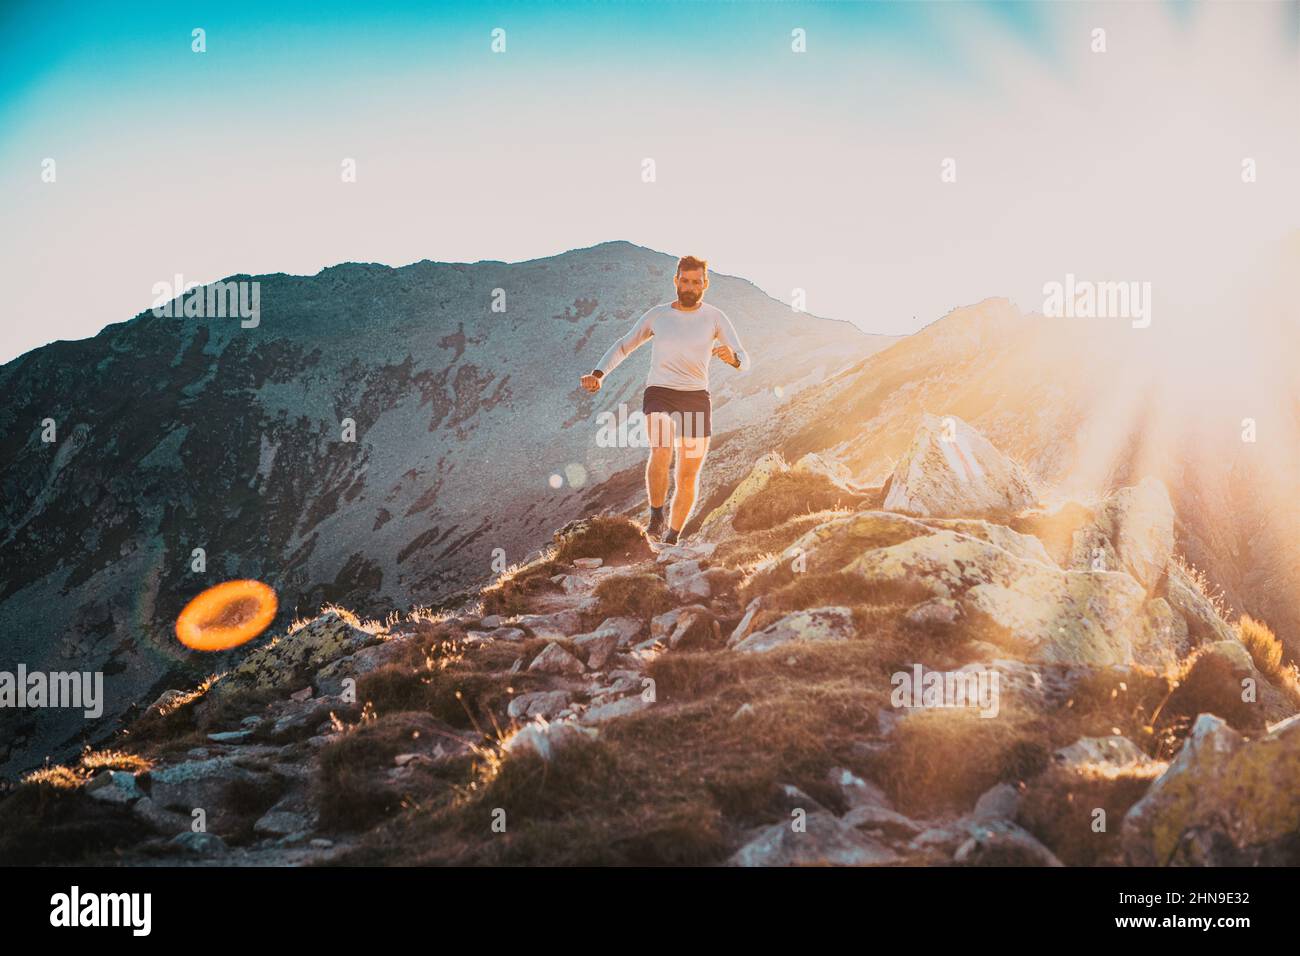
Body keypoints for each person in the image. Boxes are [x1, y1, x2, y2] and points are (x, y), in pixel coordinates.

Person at [580, 255, 750, 544]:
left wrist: (733, 358)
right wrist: (598, 373)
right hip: (660, 392)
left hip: (696, 397)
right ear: (676, 280)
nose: (689, 287)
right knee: (661, 450)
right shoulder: (658, 315)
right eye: (684, 281)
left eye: (696, 282)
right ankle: (655, 519)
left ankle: (672, 536)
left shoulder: (715, 317)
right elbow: (624, 345)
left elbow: (744, 359)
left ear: (705, 284)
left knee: (687, 474)